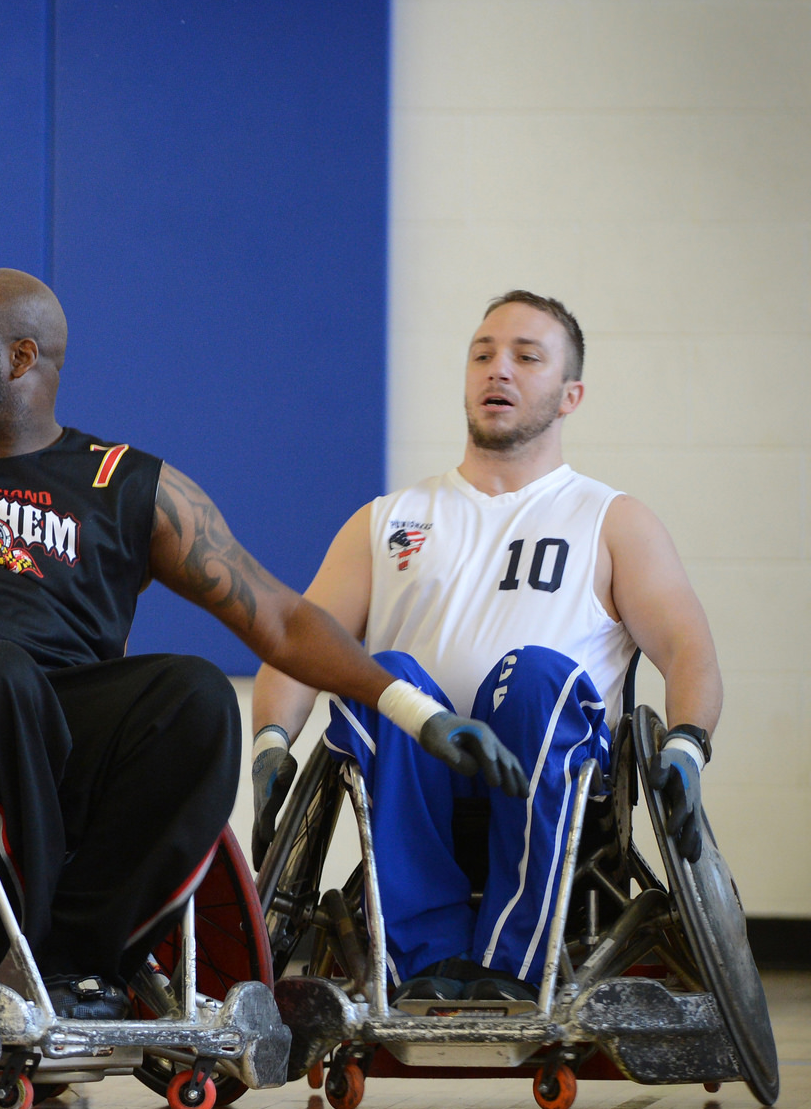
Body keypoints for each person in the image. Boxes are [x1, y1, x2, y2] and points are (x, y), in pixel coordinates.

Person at [0, 263, 526, 1020]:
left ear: (21, 359)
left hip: (42, 748)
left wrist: (409, 709)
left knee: (193, 696)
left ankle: (72, 960)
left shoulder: (126, 484)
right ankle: (16, 960)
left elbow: (283, 617)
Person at [250, 291, 722, 1001]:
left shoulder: (611, 518)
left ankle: (515, 961)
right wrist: (269, 743)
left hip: (557, 774)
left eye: (526, 356)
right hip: (413, 765)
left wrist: (686, 743)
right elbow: (298, 641)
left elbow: (689, 649)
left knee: (535, 676)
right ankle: (427, 959)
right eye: (482, 353)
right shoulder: (387, 520)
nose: (498, 368)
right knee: (387, 674)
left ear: (571, 395)